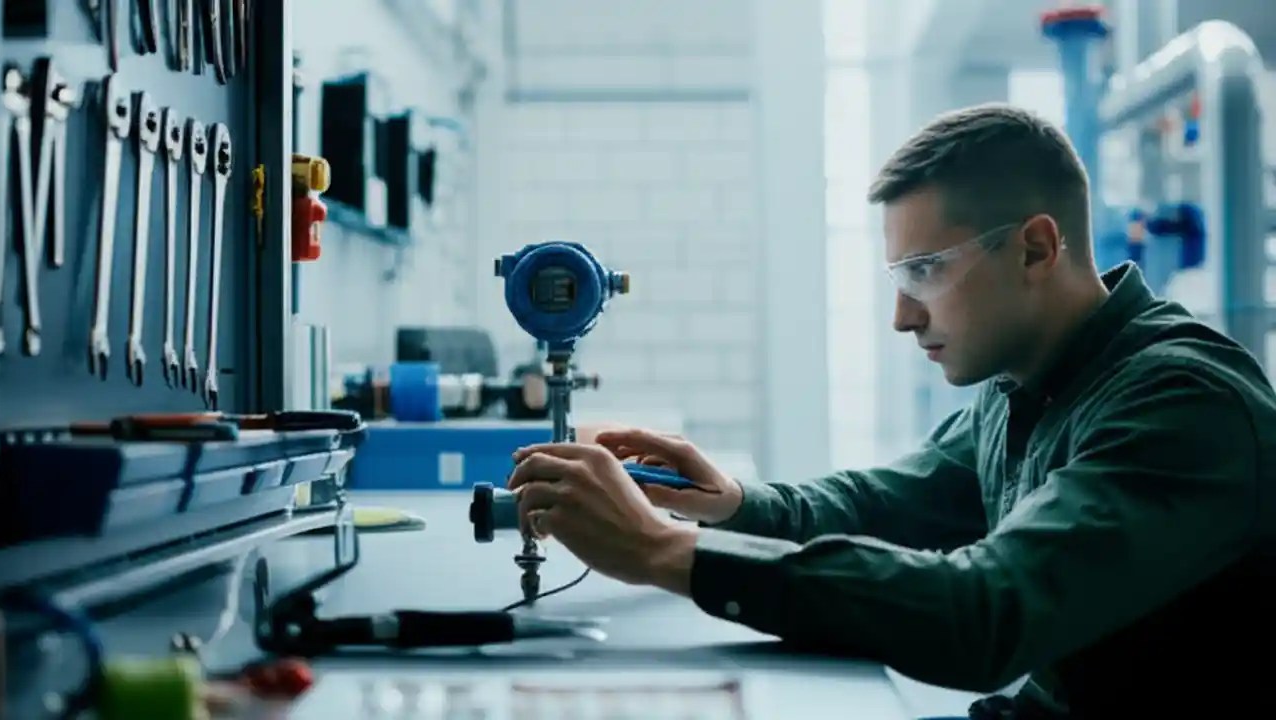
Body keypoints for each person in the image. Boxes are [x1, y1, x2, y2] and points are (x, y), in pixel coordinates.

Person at [507, 103, 1276, 719]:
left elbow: (985, 612)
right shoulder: (1027, 384)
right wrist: (733, 506)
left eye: (926, 272)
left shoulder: (1183, 407)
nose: (903, 317)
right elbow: (886, 504)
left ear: (1037, 249)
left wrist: (661, 553)